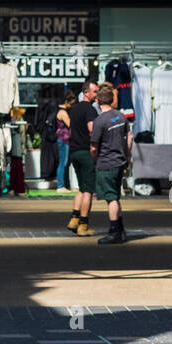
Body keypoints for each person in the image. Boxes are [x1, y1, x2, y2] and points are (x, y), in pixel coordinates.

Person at [90, 83, 133, 245]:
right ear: (112, 98)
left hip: (106, 163)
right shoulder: (120, 117)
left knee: (111, 199)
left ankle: (114, 232)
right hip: (120, 162)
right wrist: (127, 157)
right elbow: (129, 137)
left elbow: (94, 147)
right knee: (115, 196)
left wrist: (95, 159)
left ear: (98, 100)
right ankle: (120, 230)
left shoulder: (99, 121)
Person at [66, 78, 99, 235]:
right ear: (86, 93)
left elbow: (72, 131)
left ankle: (74, 219)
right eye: (95, 92)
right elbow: (92, 130)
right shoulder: (90, 110)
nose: (97, 95)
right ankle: (83, 225)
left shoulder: (75, 109)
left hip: (74, 151)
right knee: (89, 191)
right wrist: (97, 146)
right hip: (86, 152)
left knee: (81, 188)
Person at [55, 92, 74, 193]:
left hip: (65, 139)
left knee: (65, 163)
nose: (72, 106)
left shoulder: (64, 111)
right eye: (71, 103)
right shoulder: (62, 112)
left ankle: (65, 185)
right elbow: (70, 124)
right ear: (67, 102)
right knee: (63, 162)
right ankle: (60, 185)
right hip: (63, 140)